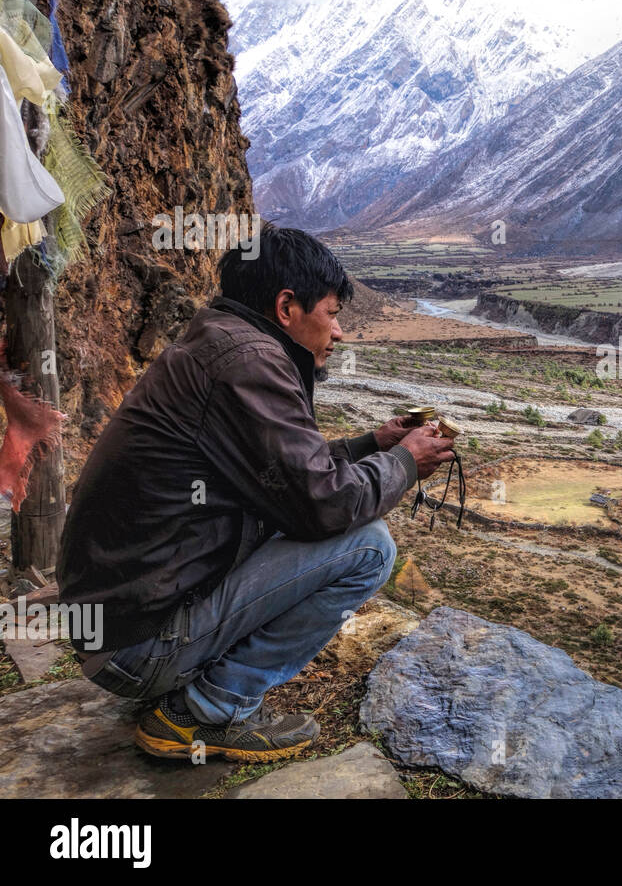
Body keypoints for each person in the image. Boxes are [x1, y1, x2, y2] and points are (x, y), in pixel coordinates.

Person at [55, 225, 455, 762]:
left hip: (116, 629)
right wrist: (406, 461)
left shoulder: (220, 342)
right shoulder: (249, 362)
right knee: (370, 548)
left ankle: (195, 692)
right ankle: (204, 713)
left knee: (327, 529)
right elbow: (324, 504)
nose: (337, 333)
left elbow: (280, 474)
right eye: (332, 313)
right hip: (137, 648)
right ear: (287, 306)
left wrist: (372, 444)